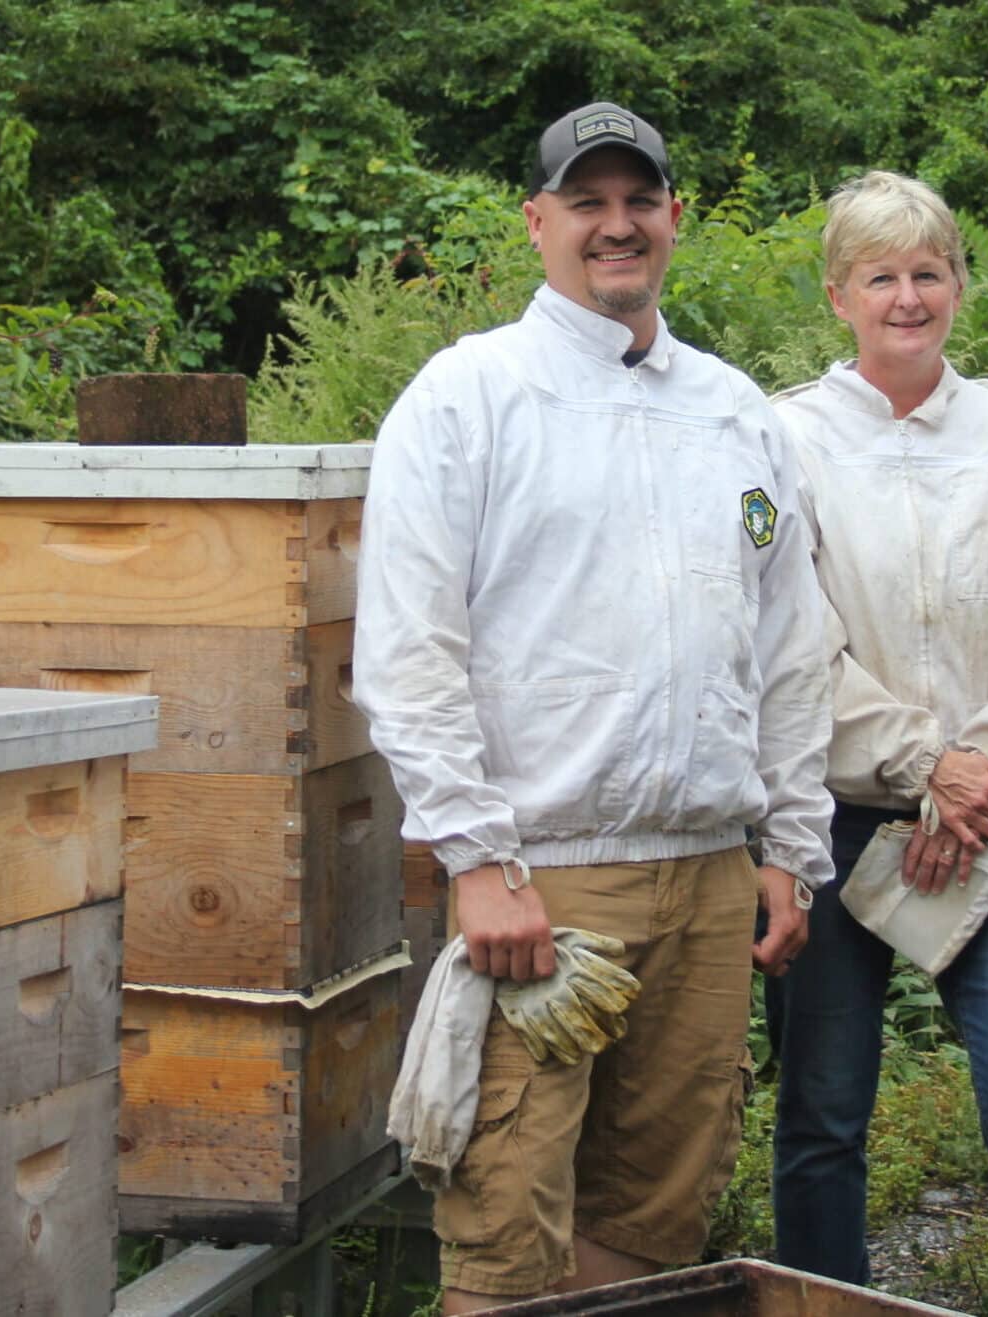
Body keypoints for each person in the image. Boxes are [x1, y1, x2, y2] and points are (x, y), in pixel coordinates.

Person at [353, 101, 836, 1312]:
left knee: (650, 1214)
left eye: (639, 202)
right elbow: (409, 648)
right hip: (547, 888)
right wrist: (476, 855)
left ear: (674, 218)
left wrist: (788, 847)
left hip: (710, 881)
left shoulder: (732, 410)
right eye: (587, 203)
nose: (615, 227)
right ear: (536, 223)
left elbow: (786, 645)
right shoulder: (469, 396)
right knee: (505, 1215)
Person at [767, 170, 988, 1314]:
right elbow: (781, 637)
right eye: (881, 276)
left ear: (959, 285)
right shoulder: (782, 438)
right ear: (837, 296)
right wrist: (923, 767)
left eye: (928, 273)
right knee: (822, 1109)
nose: (906, 297)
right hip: (833, 824)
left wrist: (976, 782)